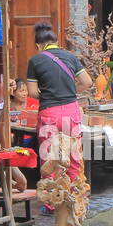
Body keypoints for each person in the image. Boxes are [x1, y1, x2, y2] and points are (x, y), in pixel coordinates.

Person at [26, 22, 91, 188]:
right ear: (56, 41)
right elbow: (87, 82)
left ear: (38, 45)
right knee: (74, 155)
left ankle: (51, 202)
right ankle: (75, 196)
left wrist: (49, 94)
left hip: (50, 113)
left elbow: (32, 93)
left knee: (49, 156)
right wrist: (69, 90)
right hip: (71, 111)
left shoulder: (35, 60)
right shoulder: (71, 57)